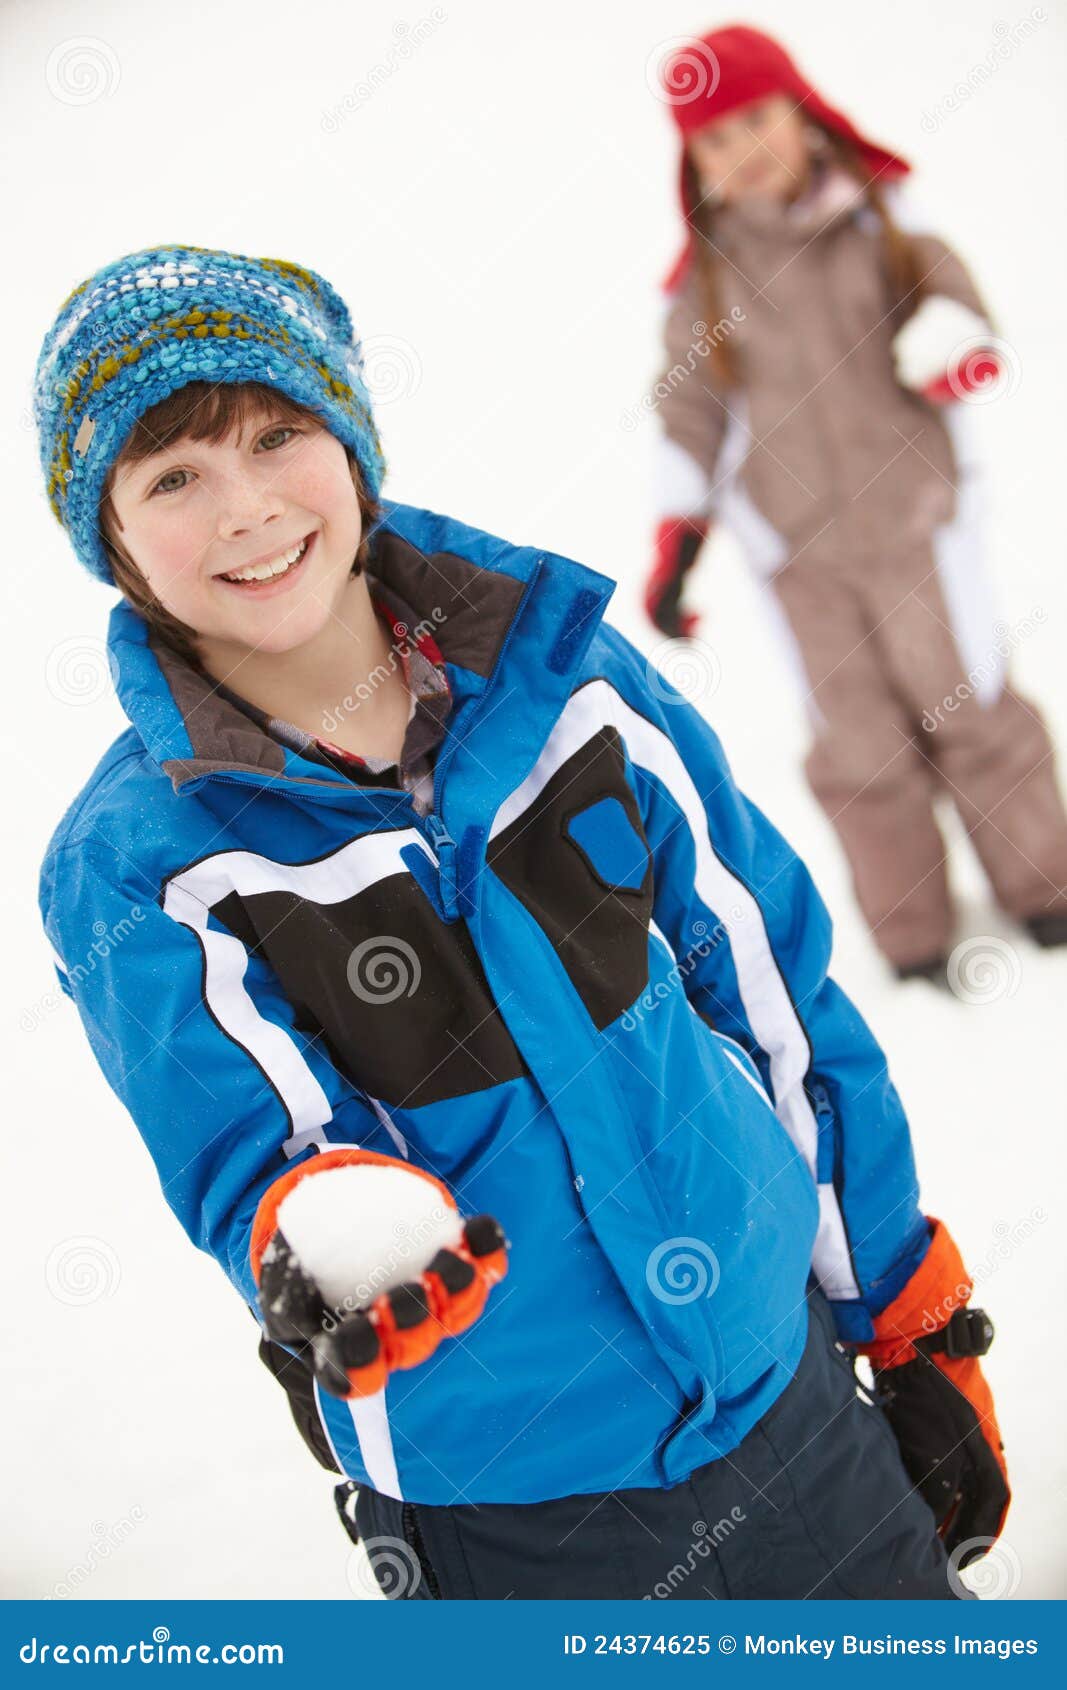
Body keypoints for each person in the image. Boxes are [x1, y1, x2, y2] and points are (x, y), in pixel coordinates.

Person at [34, 243, 1007, 1599]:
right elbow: (256, 1156)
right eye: (171, 478)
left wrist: (900, 1308)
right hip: (509, 1508)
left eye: (274, 435)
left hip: (785, 1398)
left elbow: (771, 991)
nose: (245, 507)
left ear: (349, 438)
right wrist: (322, 1241)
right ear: (115, 542)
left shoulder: (565, 684)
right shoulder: (141, 862)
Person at [643, 24, 1067, 981]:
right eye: (714, 138)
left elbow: (958, 310)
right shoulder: (704, 283)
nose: (742, 149)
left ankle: (1043, 884)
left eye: (756, 119)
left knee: (972, 710)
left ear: (802, 113)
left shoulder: (883, 227)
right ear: (691, 161)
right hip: (799, 558)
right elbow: (689, 412)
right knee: (858, 750)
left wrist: (954, 350)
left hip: (918, 532)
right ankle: (910, 934)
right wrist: (679, 536)